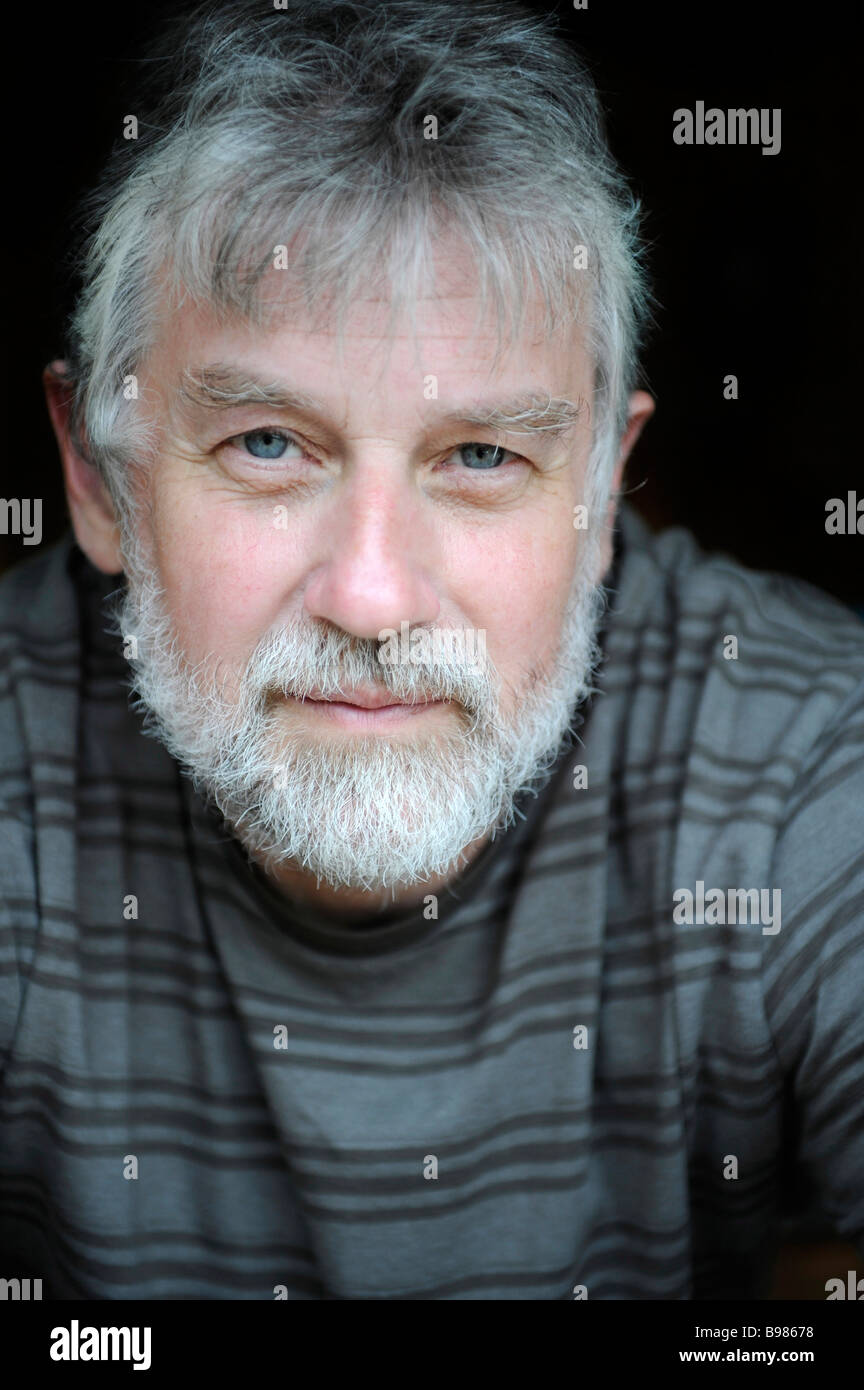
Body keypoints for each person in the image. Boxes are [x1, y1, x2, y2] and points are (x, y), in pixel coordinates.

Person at [1, 0, 861, 1300]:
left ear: (601, 493)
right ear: (96, 476)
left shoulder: (804, 754)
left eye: (480, 457)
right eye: (269, 444)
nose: (370, 595)